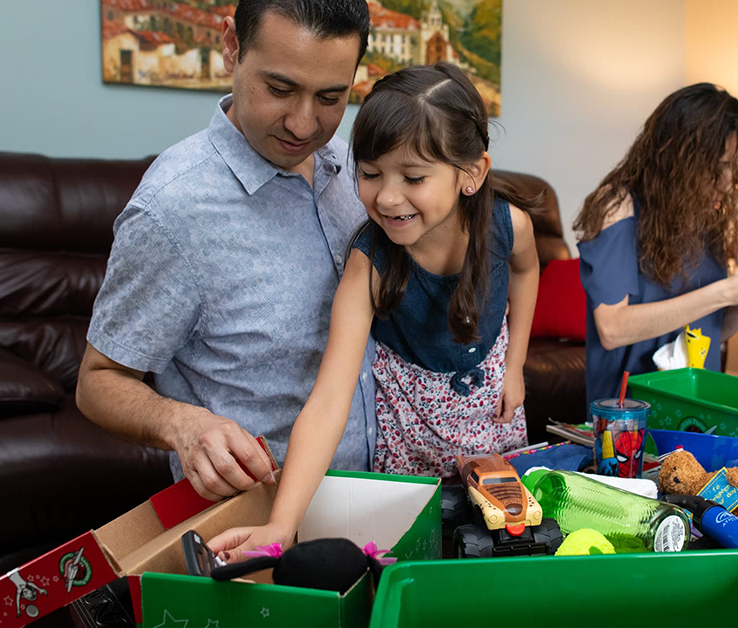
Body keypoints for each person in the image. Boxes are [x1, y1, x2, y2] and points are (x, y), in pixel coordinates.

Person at [209, 63, 540, 559]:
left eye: (413, 177)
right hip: (410, 428)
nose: (386, 197)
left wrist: (515, 365)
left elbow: (527, 272)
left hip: (492, 406)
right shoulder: (369, 264)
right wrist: (281, 524)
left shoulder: (509, 224)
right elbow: (328, 401)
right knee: (424, 550)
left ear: (471, 173)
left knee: (506, 536)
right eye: (369, 173)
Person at [76, 0, 376, 501]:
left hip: (381, 497)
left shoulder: (353, 170)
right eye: (279, 89)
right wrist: (184, 425)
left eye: (330, 97)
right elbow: (98, 381)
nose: (304, 125)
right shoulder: (172, 209)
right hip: (255, 515)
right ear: (232, 45)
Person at [575, 83, 738, 406]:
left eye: (735, 166)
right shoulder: (617, 206)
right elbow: (612, 329)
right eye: (720, 167)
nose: (729, 182)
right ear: (679, 159)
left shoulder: (706, 217)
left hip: (696, 404)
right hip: (629, 413)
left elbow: (712, 332)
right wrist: (728, 291)